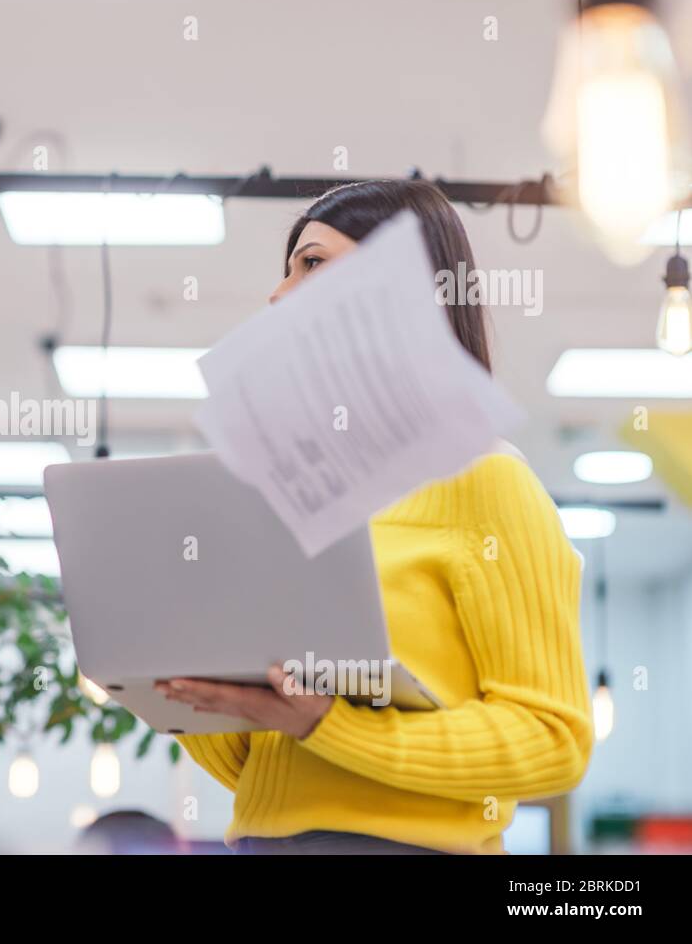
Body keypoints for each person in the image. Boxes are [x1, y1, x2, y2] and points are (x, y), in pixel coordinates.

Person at [156, 180, 593, 854]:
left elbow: (553, 739)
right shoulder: (283, 491)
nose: (277, 294)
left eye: (313, 263)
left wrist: (332, 724)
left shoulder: (484, 477)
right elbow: (258, 762)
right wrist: (185, 691)